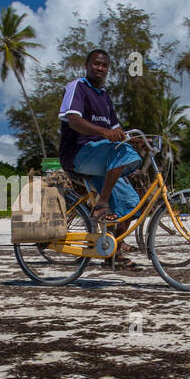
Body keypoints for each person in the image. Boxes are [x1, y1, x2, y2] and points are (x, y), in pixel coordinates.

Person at [58, 49, 145, 268]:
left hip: (101, 156)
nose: (100, 68)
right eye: (96, 64)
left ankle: (111, 253)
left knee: (131, 204)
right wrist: (107, 134)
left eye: (104, 65)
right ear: (87, 65)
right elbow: (74, 120)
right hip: (79, 153)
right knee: (121, 152)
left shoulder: (104, 95)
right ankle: (101, 204)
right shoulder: (77, 86)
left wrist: (136, 140)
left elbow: (117, 130)